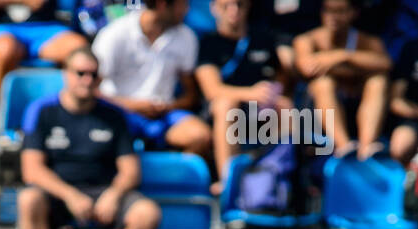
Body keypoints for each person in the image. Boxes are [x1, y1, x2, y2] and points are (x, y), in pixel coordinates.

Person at [16, 48, 161, 229]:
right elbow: (32, 170)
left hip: (105, 194)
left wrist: (113, 195)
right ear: (65, 74)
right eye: (80, 73)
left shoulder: (114, 115)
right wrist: (70, 195)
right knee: (28, 199)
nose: (87, 80)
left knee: (147, 213)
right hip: (59, 196)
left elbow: (130, 171)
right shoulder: (42, 111)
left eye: (94, 75)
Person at [195, 0, 294, 192]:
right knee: (226, 104)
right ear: (214, 8)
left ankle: (280, 179)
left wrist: (272, 91)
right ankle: (228, 181)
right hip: (221, 113)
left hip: (259, 113)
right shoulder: (208, 43)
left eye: (239, 5)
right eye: (227, 6)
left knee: (285, 105)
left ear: (248, 6)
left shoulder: (263, 39)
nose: (234, 11)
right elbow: (211, 90)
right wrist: (251, 94)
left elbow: (281, 77)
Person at [91, 0, 211, 156]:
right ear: (162, 4)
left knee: (200, 137)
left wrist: (167, 107)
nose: (187, 10)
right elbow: (93, 91)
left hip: (164, 116)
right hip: (119, 113)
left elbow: (190, 95)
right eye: (181, 5)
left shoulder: (186, 36)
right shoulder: (114, 34)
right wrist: (135, 106)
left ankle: (171, 175)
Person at [293, 0, 392, 159]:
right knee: (323, 83)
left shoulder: (365, 40)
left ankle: (367, 147)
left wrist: (343, 56)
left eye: (340, 11)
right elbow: (307, 68)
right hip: (314, 112)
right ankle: (344, 147)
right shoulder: (308, 40)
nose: (333, 17)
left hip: (354, 105)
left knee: (378, 81)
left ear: (353, 13)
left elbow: (385, 64)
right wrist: (354, 70)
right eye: (328, 10)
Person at [0, 1, 88, 103]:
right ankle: (6, 112)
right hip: (2, 28)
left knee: (79, 50)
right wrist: (23, 1)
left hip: (48, 28)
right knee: (6, 50)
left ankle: (69, 111)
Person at [389, 34, 418, 166]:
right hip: (413, 117)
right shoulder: (412, 48)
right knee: (401, 146)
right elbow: (396, 101)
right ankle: (407, 181)